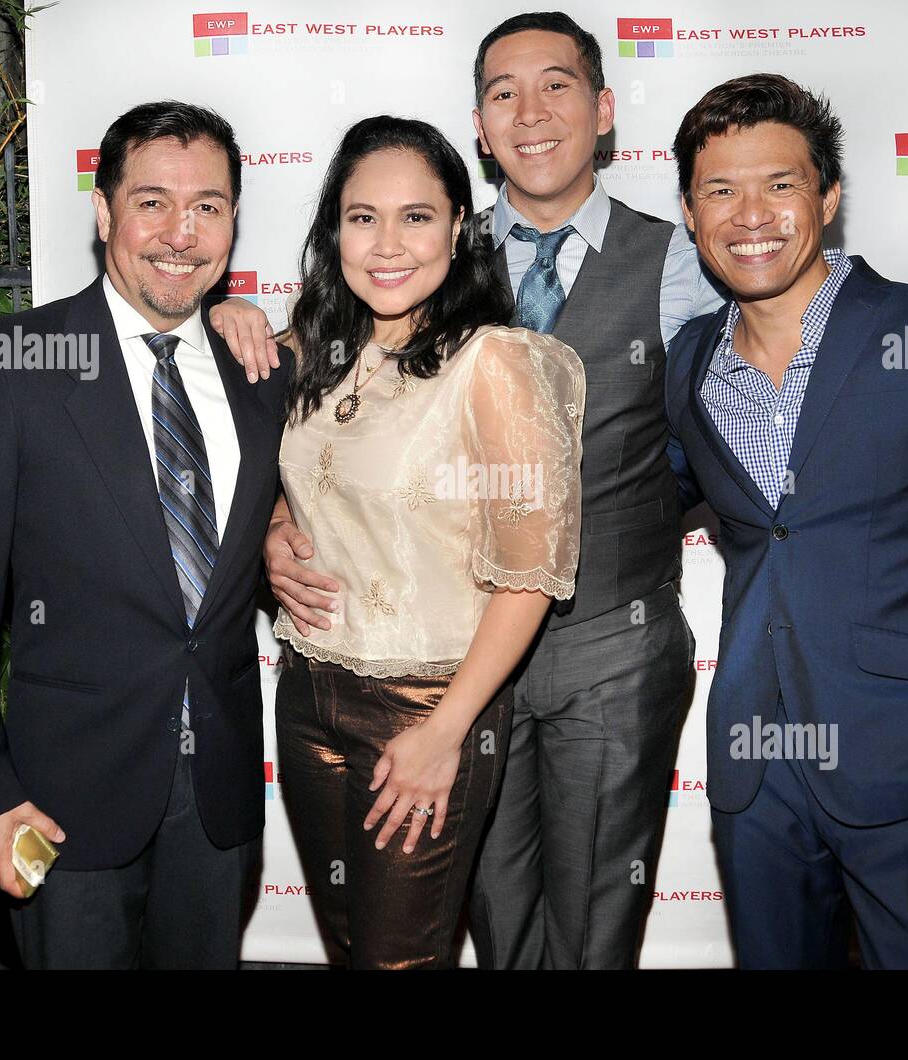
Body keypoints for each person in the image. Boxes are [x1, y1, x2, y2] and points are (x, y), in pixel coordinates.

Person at [212, 12, 908, 969]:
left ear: (603, 112)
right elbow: (343, 413)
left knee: (599, 928)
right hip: (460, 654)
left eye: (556, 85)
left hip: (615, 647)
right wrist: (272, 493)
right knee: (494, 919)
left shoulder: (691, 252)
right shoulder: (428, 247)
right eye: (503, 92)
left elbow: (806, 325)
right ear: (478, 125)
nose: (531, 111)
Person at [665, 73, 908, 968]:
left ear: (830, 196)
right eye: (720, 190)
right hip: (756, 776)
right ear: (691, 214)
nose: (750, 214)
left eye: (781, 183)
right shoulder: (687, 366)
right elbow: (636, 499)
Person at [0, 101, 294, 969]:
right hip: (58, 800)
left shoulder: (260, 372)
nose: (180, 232)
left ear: (233, 219)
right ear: (103, 211)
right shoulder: (13, 363)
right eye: (152, 201)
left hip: (219, 796)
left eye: (208, 205)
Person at [269, 114, 585, 969]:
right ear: (334, 228)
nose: (386, 244)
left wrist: (446, 731)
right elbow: (276, 468)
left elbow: (531, 575)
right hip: (305, 696)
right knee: (349, 947)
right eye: (362, 216)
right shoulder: (318, 349)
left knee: (399, 960)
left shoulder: (496, 364)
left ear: (458, 227)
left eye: (416, 216)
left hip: (428, 705)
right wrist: (273, 528)